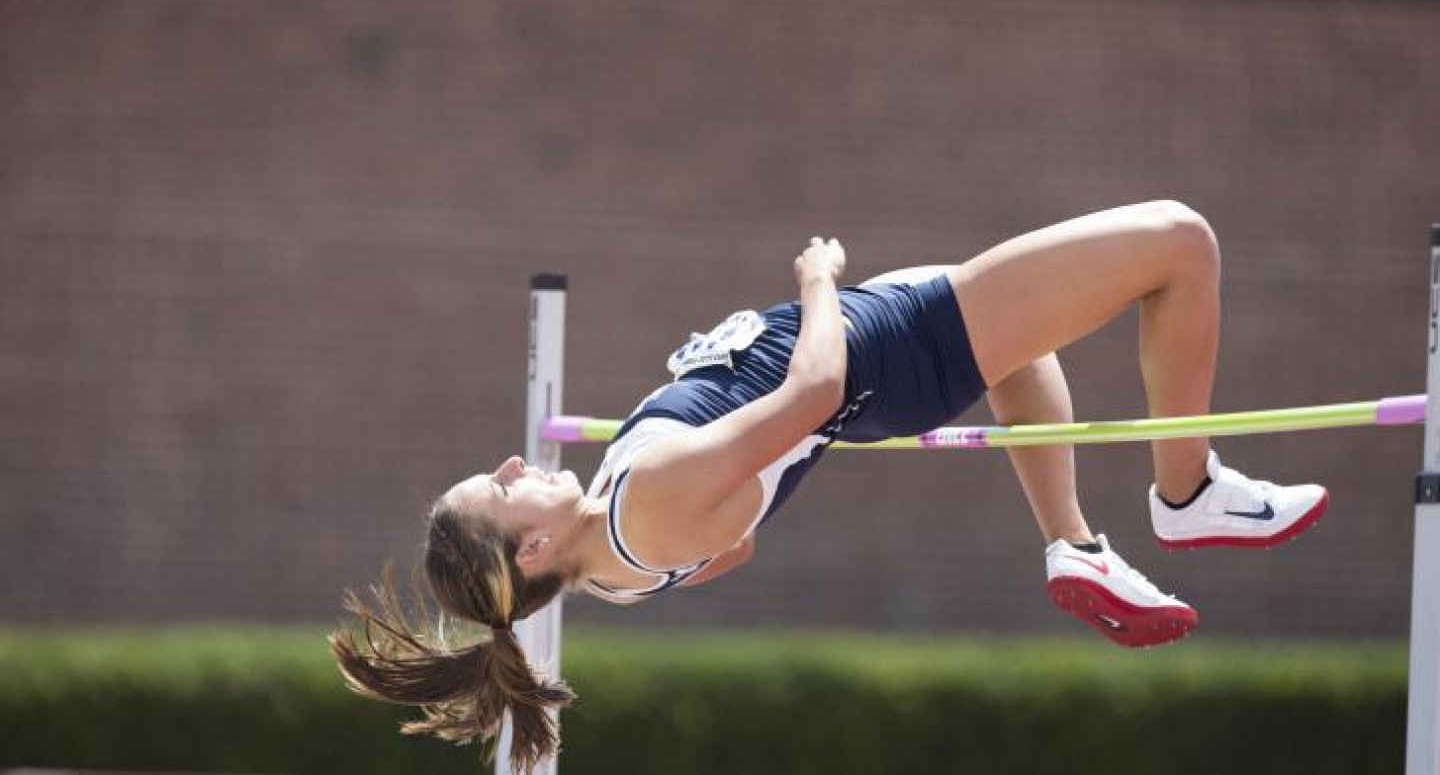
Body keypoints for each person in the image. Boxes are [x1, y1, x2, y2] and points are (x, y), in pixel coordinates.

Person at [330, 201, 1328, 772]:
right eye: (501, 487)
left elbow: (736, 543)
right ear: (533, 549)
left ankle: (1076, 545)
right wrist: (817, 279)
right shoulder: (646, 500)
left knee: (1027, 359)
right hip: (888, 350)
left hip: (892, 358)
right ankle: (1186, 493)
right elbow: (814, 392)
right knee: (1181, 243)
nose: (515, 464)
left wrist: (745, 441)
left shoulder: (612, 566)